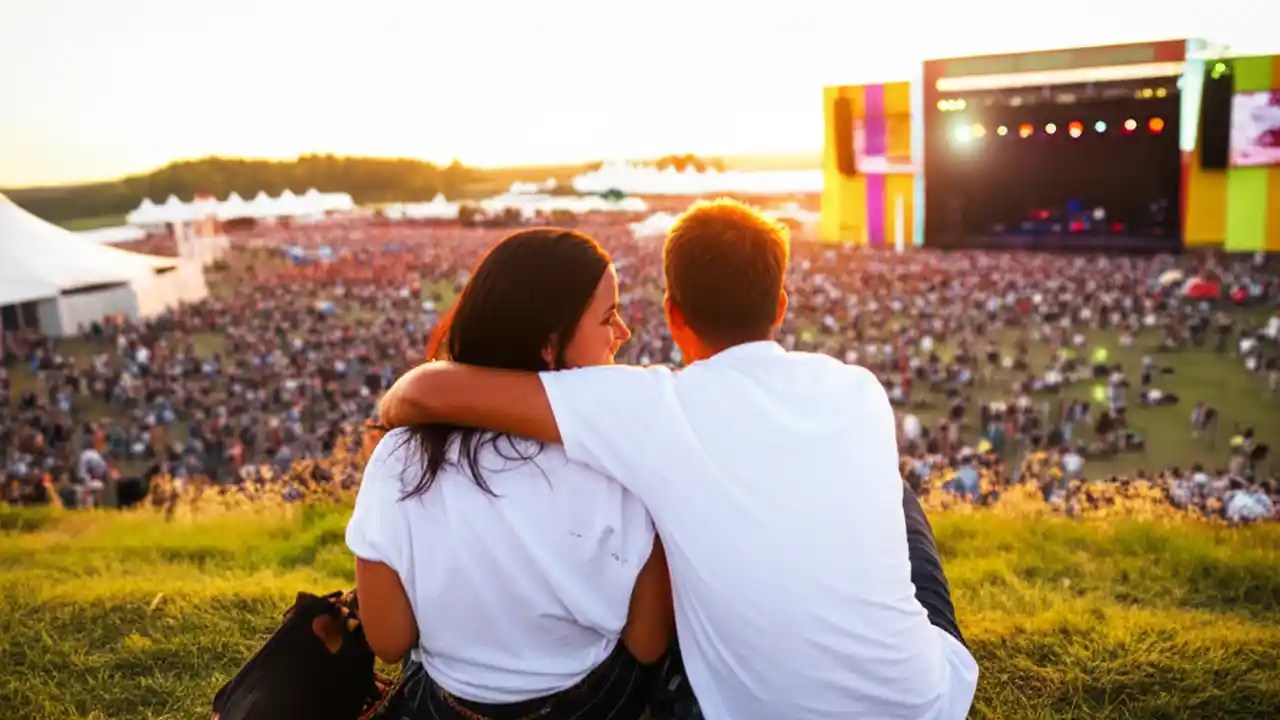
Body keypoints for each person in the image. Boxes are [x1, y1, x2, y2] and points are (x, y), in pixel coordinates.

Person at [379, 199, 978, 720]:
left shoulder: (648, 405)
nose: (624, 331)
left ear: (673, 312)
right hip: (922, 702)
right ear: (781, 304)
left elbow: (423, 391)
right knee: (894, 492)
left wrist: (389, 431)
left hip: (739, 709)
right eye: (609, 317)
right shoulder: (857, 389)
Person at [347, 229, 674, 720]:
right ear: (548, 344)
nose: (623, 332)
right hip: (590, 704)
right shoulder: (619, 457)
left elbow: (390, 641)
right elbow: (648, 644)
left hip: (449, 705)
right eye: (608, 317)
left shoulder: (400, 456)